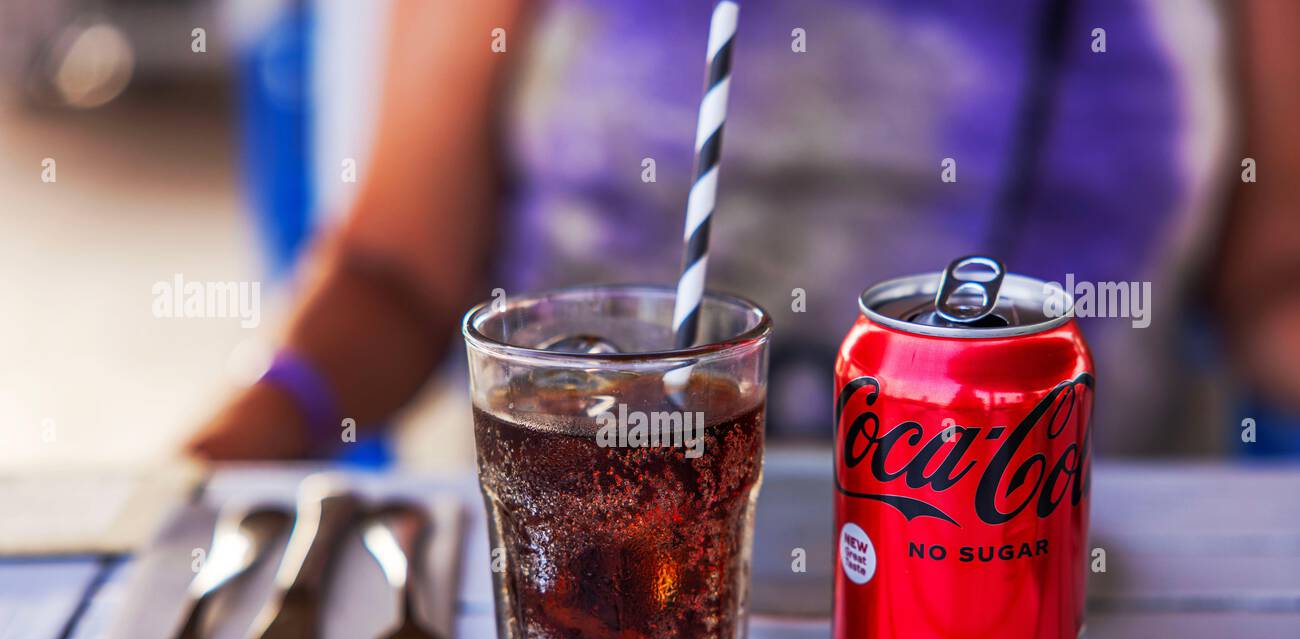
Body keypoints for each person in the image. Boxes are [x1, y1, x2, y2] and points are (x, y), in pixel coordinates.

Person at [187, 0, 1300, 460]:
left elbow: (1273, 283)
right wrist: (229, 450)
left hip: (1079, 589)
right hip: (586, 557)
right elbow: (397, 271)